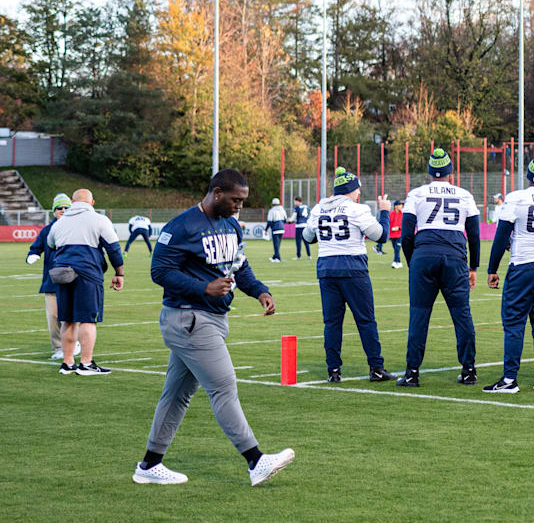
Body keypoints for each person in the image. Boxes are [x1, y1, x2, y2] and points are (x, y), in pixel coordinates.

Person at [135, 169, 293, 487]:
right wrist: (202, 287)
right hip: (188, 318)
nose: (239, 206)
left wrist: (259, 291)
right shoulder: (182, 226)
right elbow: (159, 270)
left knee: (177, 395)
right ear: (217, 193)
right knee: (223, 387)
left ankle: (149, 465)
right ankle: (255, 460)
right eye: (235, 200)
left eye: (243, 201)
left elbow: (239, 266)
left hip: (211, 318)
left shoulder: (230, 225)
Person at [397, 148, 482, 387]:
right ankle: (469, 370)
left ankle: (412, 372)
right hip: (455, 256)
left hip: (424, 255)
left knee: (419, 315)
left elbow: (405, 235)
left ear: (430, 172)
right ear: (450, 172)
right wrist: (473, 267)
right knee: (462, 315)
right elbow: (474, 235)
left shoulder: (417, 193)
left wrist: (413, 260)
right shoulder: (464, 195)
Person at [303, 167, 392, 383]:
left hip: (326, 268)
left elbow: (307, 236)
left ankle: (333, 370)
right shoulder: (356, 209)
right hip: (353, 267)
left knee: (332, 323)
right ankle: (376, 368)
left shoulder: (319, 208)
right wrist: (385, 211)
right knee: (366, 320)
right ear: (350, 190)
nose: (358, 194)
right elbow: (381, 236)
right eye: (357, 190)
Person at [484, 154, 534, 393]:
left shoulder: (517, 198)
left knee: (514, 322)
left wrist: (492, 269)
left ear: (529, 175)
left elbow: (501, 235)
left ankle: (509, 379)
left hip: (523, 264)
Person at [47, 189, 126, 375]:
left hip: (62, 272)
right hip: (88, 272)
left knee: (67, 319)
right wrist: (119, 273)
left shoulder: (60, 222)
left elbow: (50, 244)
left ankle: (67, 363)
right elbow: (114, 249)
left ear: (72, 202)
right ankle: (86, 363)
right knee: (88, 320)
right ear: (92, 203)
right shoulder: (99, 219)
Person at [26, 194, 76, 361]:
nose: (63, 210)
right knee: (54, 317)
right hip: (52, 281)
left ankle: (74, 343)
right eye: (59, 208)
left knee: (73, 315)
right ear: (54, 210)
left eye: (66, 207)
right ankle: (58, 347)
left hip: (74, 280)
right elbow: (35, 248)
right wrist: (33, 255)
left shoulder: (77, 228)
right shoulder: (47, 230)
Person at [386, 200, 404, 268]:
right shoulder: (391, 214)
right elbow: (388, 223)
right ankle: (399, 262)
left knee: (397, 248)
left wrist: (399, 228)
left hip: (399, 234)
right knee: (395, 248)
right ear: (396, 206)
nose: (401, 206)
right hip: (392, 235)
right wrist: (391, 229)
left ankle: (395, 262)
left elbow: (404, 224)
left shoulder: (402, 214)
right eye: (400, 205)